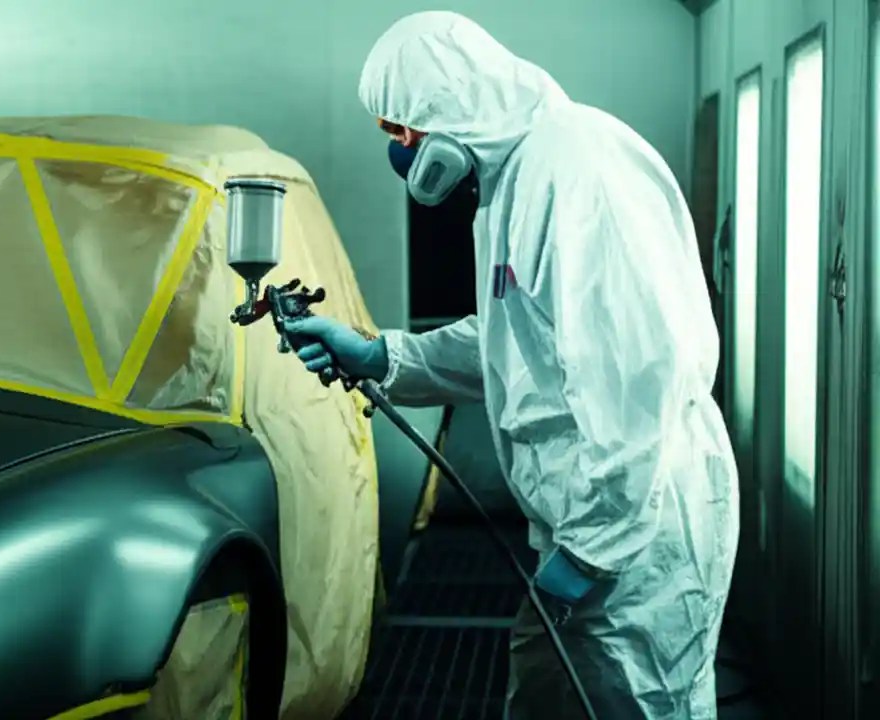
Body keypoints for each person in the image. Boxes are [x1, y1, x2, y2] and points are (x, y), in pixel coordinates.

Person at [284, 11, 739, 720]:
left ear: (450, 100)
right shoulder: (511, 181)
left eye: (402, 128)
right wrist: (381, 355)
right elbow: (514, 346)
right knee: (545, 697)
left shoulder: (573, 169)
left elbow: (636, 382)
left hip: (636, 534)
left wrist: (587, 556)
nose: (402, 152)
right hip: (591, 524)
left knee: (645, 706)